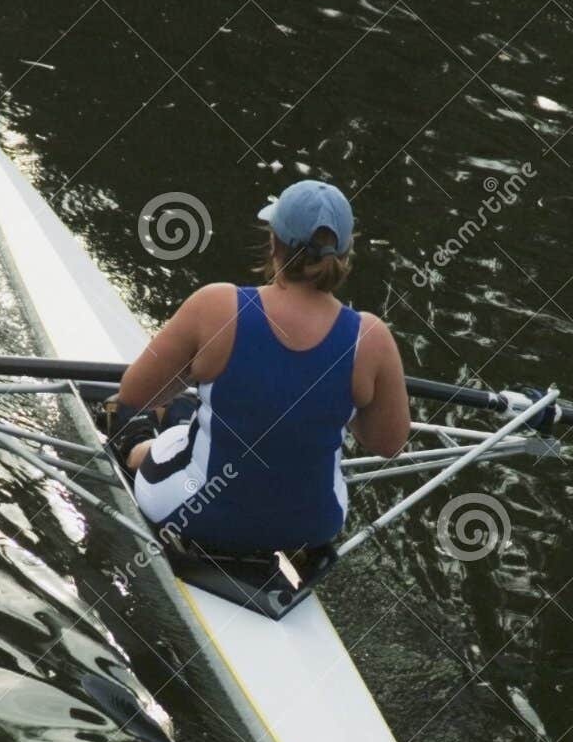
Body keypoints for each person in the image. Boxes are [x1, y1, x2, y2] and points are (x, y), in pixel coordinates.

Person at [110, 180, 410, 554]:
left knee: (158, 422)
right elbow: (389, 443)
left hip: (193, 511)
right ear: (345, 254)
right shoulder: (373, 337)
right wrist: (327, 397)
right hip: (313, 527)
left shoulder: (216, 306)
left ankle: (135, 445)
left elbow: (136, 393)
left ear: (274, 243)